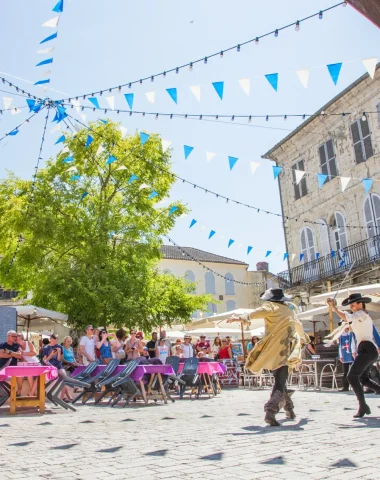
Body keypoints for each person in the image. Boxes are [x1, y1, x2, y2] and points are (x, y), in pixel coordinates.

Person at [228, 288, 309, 426]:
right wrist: (304, 339)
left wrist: (241, 318)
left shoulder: (271, 306)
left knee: (280, 380)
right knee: (280, 381)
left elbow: (258, 312)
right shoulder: (289, 310)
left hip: (274, 349)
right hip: (286, 349)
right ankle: (270, 411)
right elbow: (298, 326)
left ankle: (288, 408)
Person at [327, 293, 380, 417]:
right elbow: (350, 325)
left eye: (352, 304)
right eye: (350, 305)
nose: (351, 307)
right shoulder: (359, 317)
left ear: (360, 304)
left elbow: (346, 317)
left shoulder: (361, 314)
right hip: (366, 349)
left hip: (367, 349)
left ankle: (362, 406)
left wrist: (333, 307)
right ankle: (363, 406)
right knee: (363, 378)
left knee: (352, 377)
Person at [43, 334, 72, 402]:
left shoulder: (59, 346)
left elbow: (59, 359)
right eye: (53, 340)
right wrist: (51, 355)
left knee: (64, 376)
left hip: (58, 365)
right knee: (61, 378)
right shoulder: (46, 348)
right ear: (50, 340)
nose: (54, 342)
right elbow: (45, 360)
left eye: (56, 340)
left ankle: (61, 397)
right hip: (51, 366)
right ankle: (65, 396)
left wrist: (59, 352)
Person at [338, 326, 357, 392]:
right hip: (345, 355)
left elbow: (353, 343)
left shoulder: (351, 333)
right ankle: (345, 387)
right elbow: (340, 346)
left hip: (351, 354)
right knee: (345, 372)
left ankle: (356, 387)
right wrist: (340, 355)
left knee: (354, 372)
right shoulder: (341, 335)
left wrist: (354, 352)